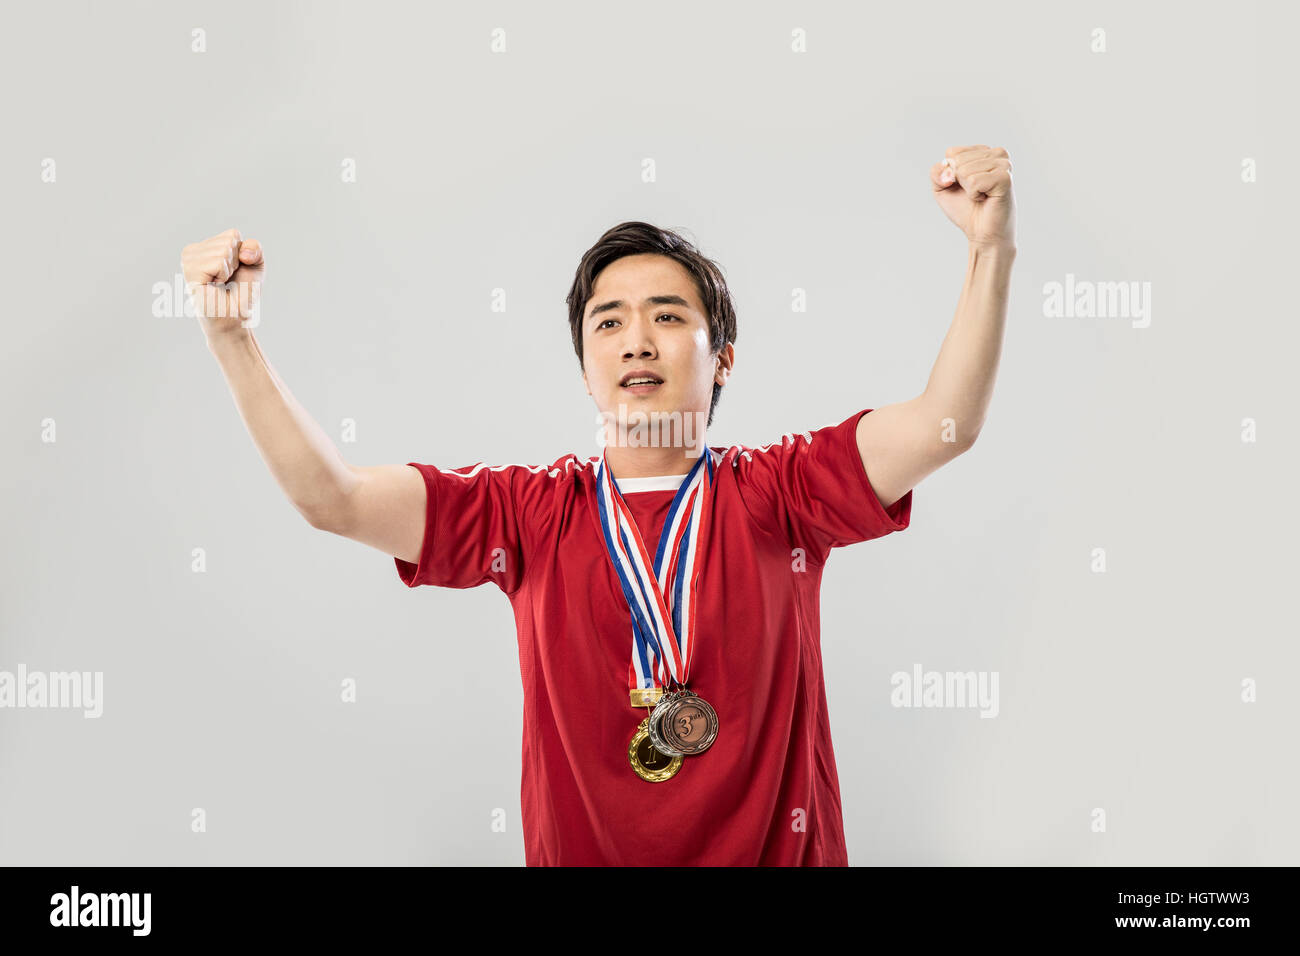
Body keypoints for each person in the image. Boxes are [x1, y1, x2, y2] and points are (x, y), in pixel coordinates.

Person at [181, 144, 1016, 865]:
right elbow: (332, 498)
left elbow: (947, 424)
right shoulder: (526, 515)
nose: (637, 341)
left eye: (668, 316)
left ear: (723, 358)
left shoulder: (783, 493)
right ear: (585, 367)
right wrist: (232, 336)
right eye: (608, 323)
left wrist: (991, 248)